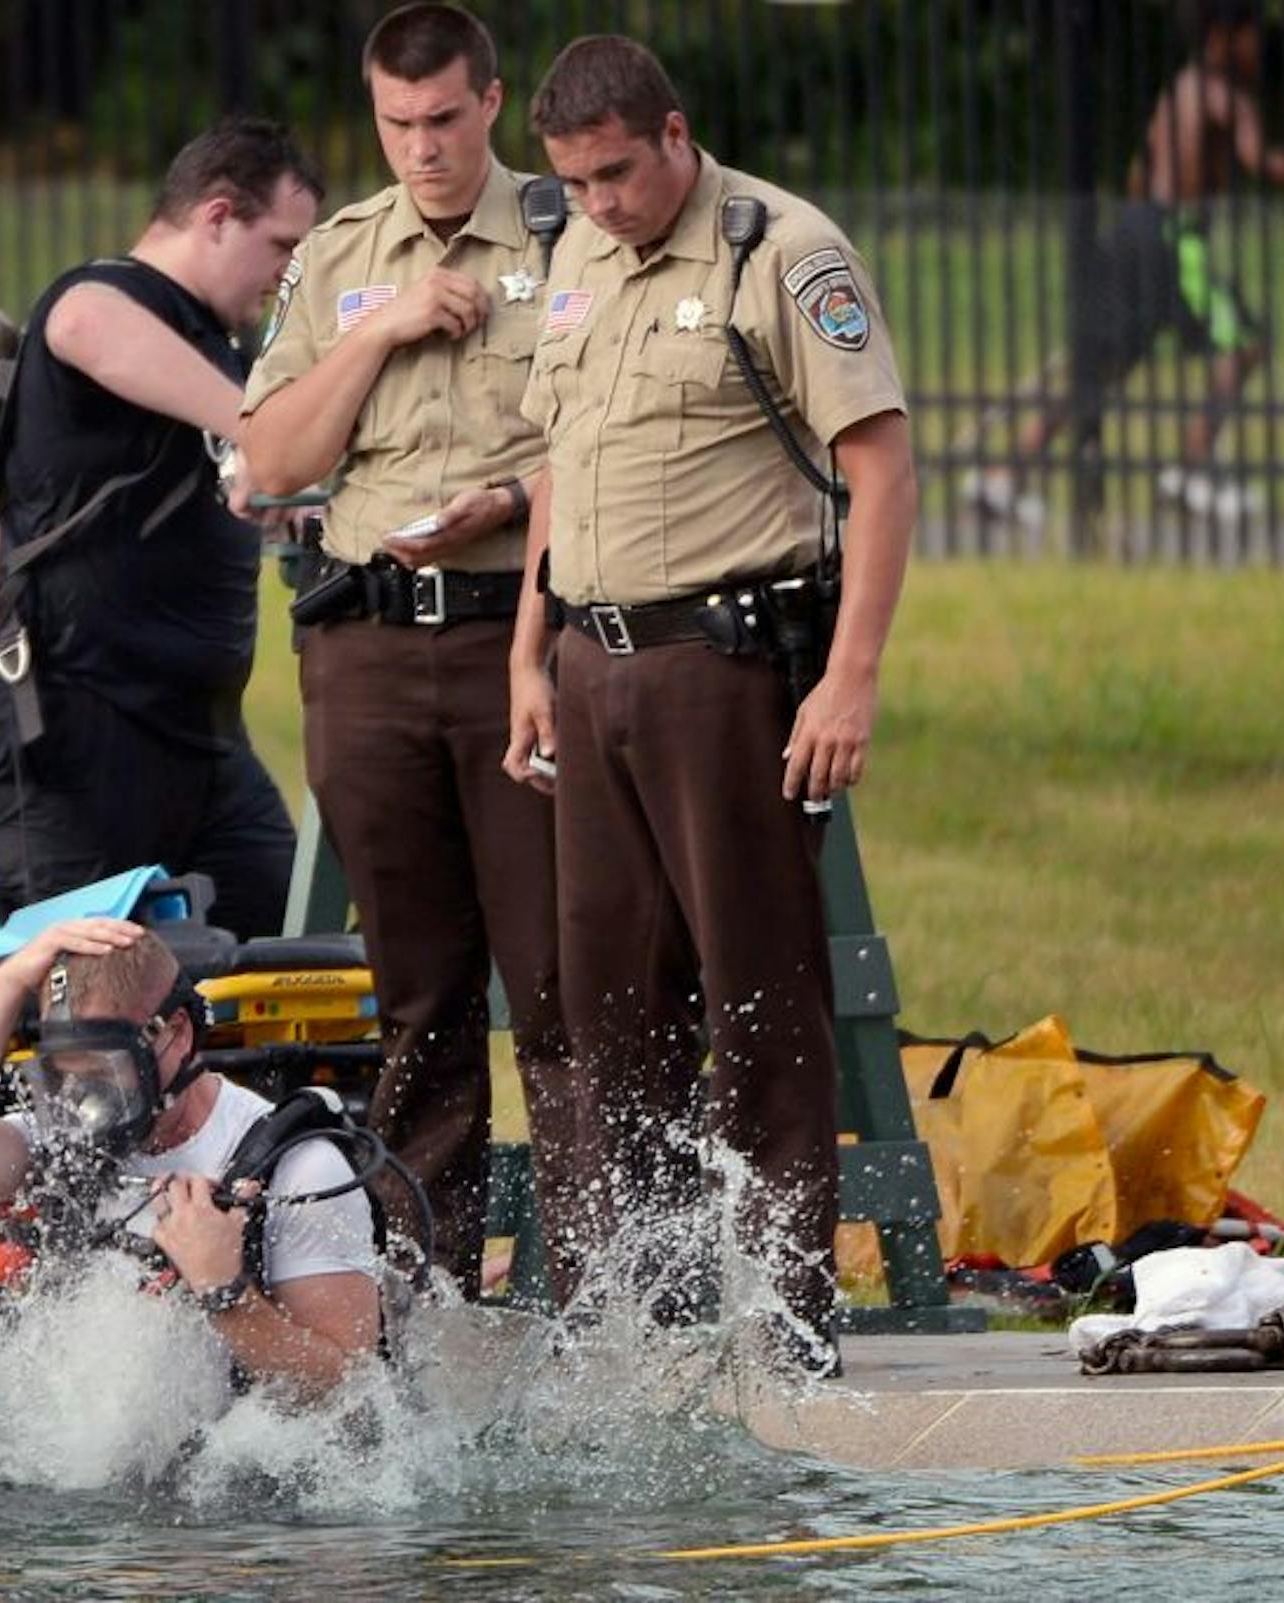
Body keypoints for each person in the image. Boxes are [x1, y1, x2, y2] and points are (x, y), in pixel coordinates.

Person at [502, 37, 919, 1377]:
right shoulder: (574, 251)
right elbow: (560, 466)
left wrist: (850, 676)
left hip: (726, 667)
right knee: (609, 1002)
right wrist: (532, 651)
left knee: (757, 997)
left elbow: (884, 469)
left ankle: (789, 1316)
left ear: (676, 135)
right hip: (592, 661)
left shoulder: (777, 251)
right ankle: (668, 1313)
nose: (602, 201)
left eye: (619, 172)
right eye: (575, 180)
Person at [238, 3, 575, 1299]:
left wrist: (509, 503)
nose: (422, 149)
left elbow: (600, 437)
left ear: (492, 103)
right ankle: (423, 1289)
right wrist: (378, 330)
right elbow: (273, 458)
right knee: (414, 989)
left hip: (519, 634)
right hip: (371, 646)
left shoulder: (567, 235)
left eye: (444, 121)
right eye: (396, 124)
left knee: (558, 984)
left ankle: (587, 1285)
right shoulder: (337, 258)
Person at [0, 119, 321, 939]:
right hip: (81, 728)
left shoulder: (219, 341)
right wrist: (261, 428)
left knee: (290, 951)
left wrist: (279, 490)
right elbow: (80, 324)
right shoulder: (103, 294)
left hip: (201, 737)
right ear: (216, 217)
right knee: (75, 1000)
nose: (288, 275)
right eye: (281, 246)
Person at [0, 919, 381, 1399]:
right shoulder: (60, 1143)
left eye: (107, 1071)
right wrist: (13, 979)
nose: (89, 1103)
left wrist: (224, 1290)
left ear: (178, 1035)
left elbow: (349, 1388)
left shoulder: (299, 1169)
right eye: (67, 1074)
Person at [966, 0, 1284, 528]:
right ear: (1221, 36)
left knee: (1102, 367)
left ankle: (1005, 477)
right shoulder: (1221, 93)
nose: (1259, 47)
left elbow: (1140, 167)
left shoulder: (1178, 90)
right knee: (1245, 342)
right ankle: (1193, 471)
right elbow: (1259, 157)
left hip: (1138, 229)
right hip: (1174, 242)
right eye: (1251, 34)